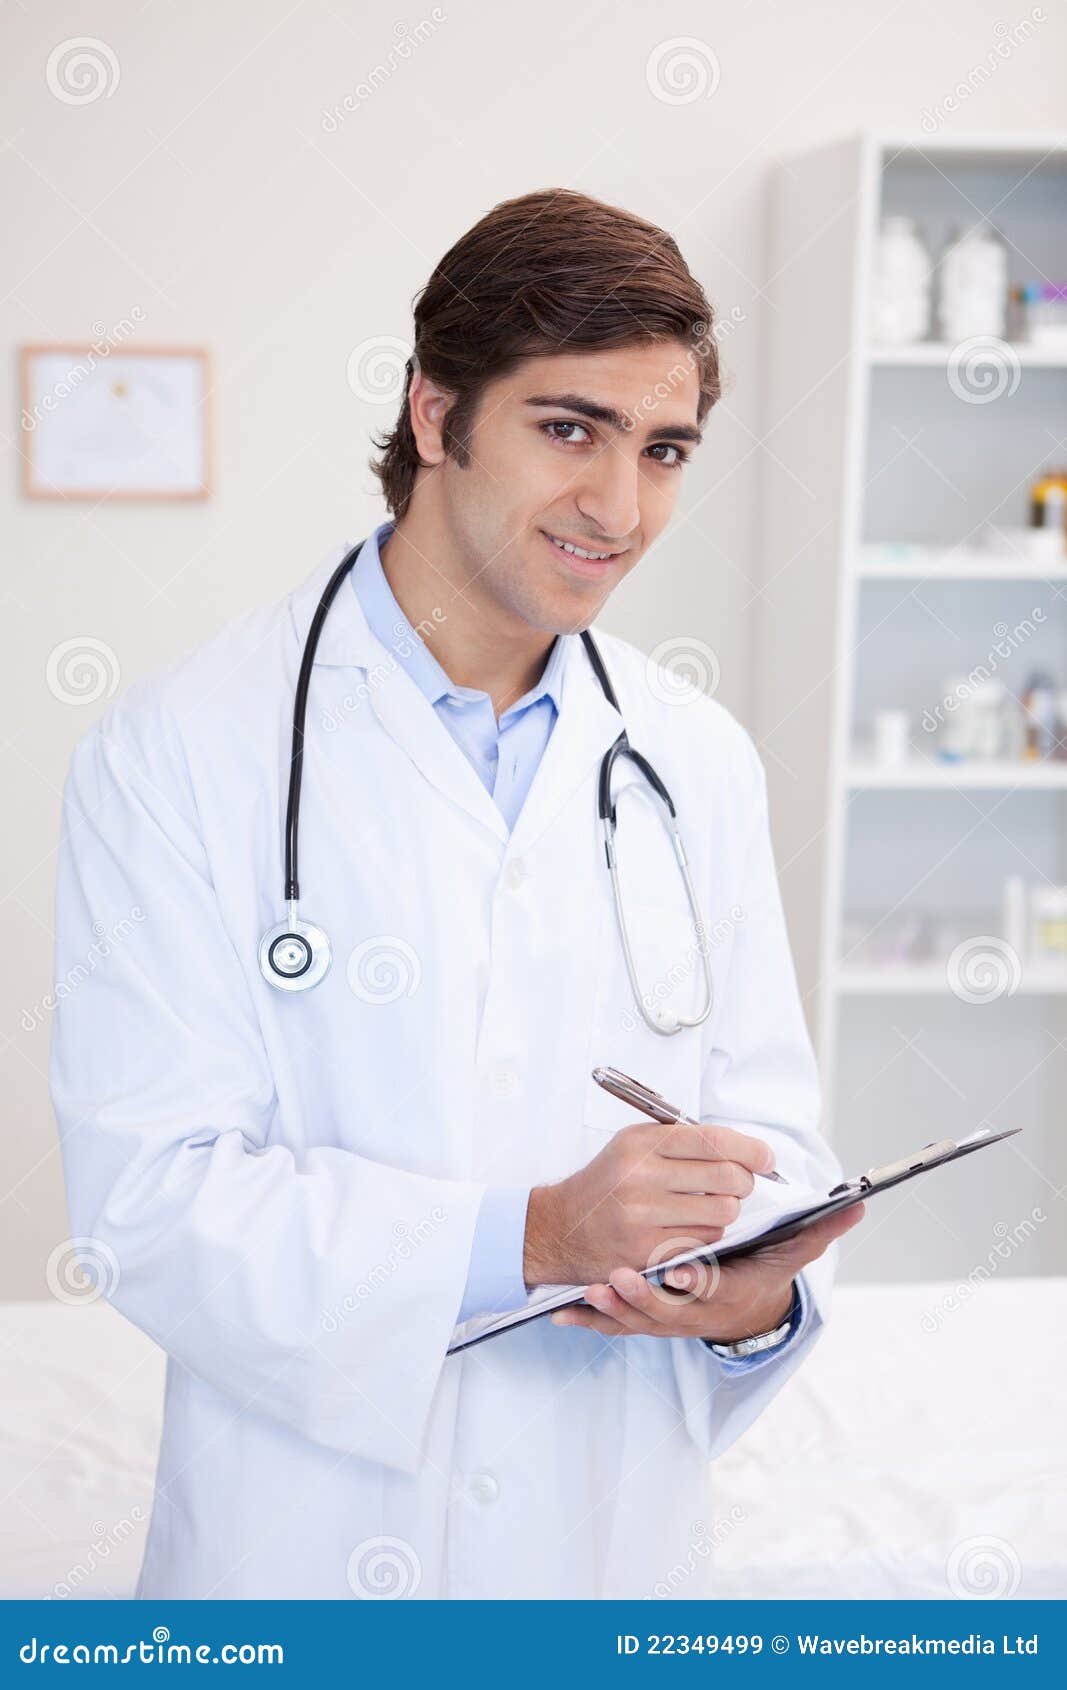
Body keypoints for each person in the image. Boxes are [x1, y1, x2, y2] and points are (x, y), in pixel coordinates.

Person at [50, 187, 862, 1601]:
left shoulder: (695, 763)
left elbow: (769, 1133)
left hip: (607, 1546)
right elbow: (150, 1204)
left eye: (663, 449)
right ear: (435, 414)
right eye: (570, 429)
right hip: (295, 1561)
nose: (621, 507)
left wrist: (758, 1295)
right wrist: (537, 1235)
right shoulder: (180, 750)